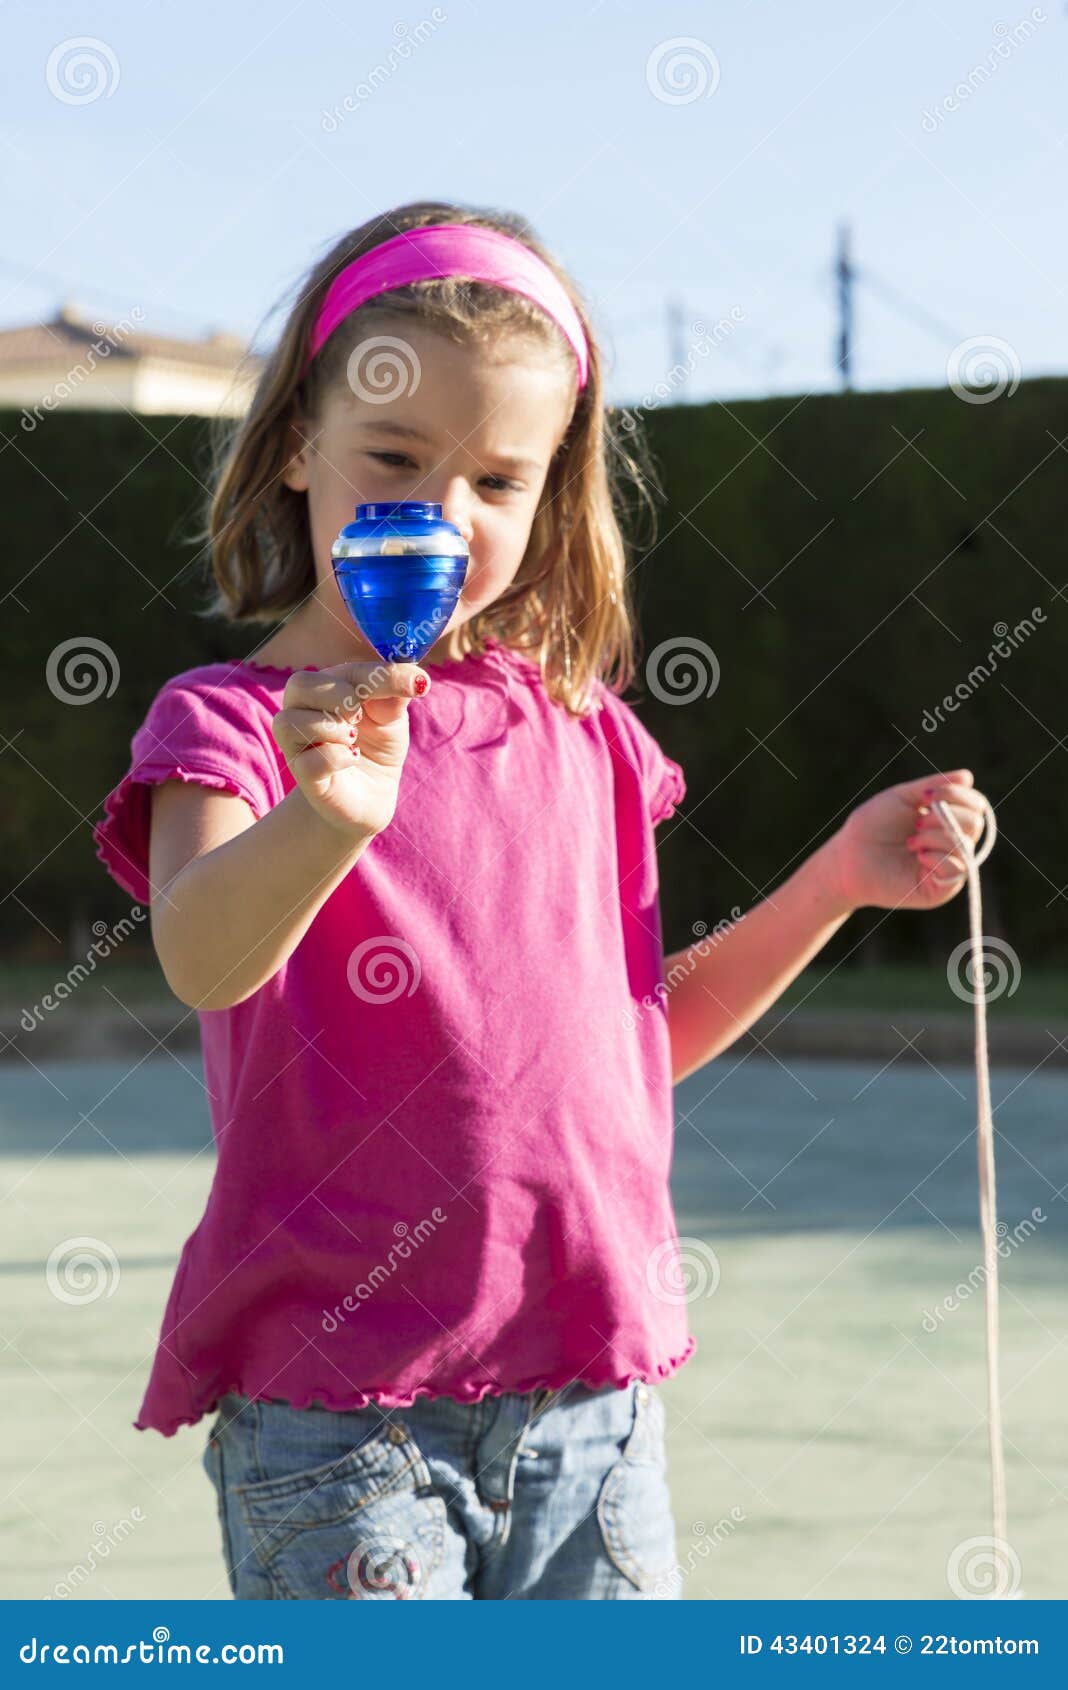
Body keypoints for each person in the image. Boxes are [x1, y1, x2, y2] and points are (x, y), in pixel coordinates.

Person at [93, 200, 990, 1600]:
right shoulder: (234, 724)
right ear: (292, 452)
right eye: (393, 456)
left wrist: (840, 879)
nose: (441, 515)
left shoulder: (577, 730)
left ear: (550, 493)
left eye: (496, 482)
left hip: (594, 1413)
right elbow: (203, 953)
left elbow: (638, 1036)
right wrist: (330, 818)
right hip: (343, 1432)